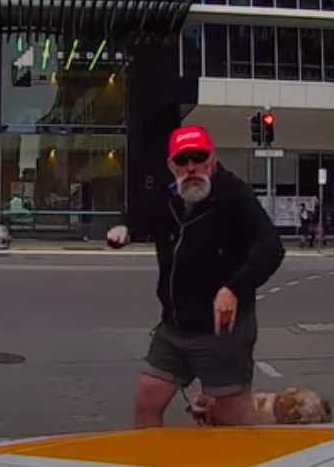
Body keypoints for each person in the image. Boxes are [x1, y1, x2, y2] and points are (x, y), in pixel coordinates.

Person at [107, 124, 285, 427]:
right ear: (171, 165)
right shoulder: (167, 195)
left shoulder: (234, 195)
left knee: (230, 419)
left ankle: (276, 435)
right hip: (174, 327)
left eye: (199, 158)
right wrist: (126, 227)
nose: (191, 168)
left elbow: (272, 248)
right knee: (147, 401)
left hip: (222, 330)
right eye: (182, 160)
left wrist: (233, 289)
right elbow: (142, 212)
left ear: (212, 158)